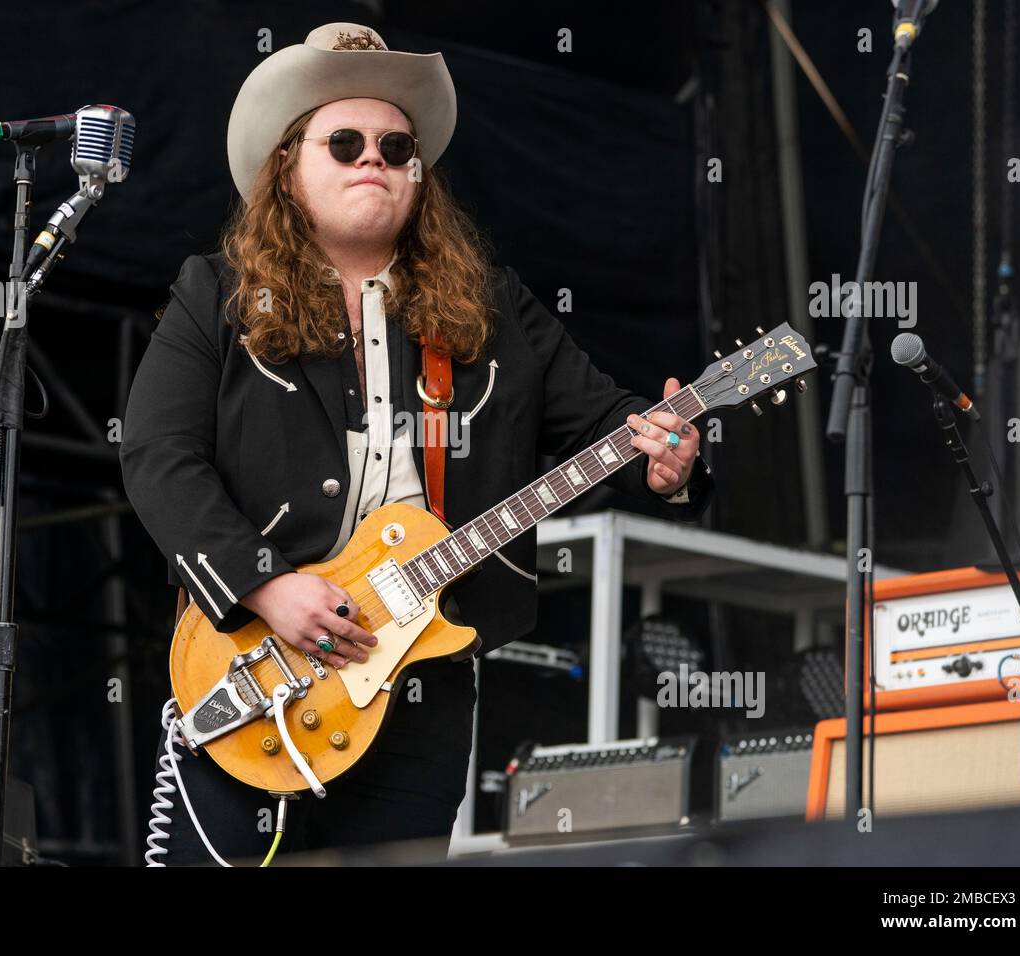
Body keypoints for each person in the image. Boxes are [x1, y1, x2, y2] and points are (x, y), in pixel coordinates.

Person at [120, 21, 714, 866]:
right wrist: (265, 586)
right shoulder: (213, 295)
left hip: (424, 679)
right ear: (288, 167)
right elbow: (156, 456)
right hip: (255, 662)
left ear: (417, 176)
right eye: (346, 141)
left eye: (396, 145)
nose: (374, 158)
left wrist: (666, 464)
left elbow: (605, 423)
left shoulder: (495, 310)